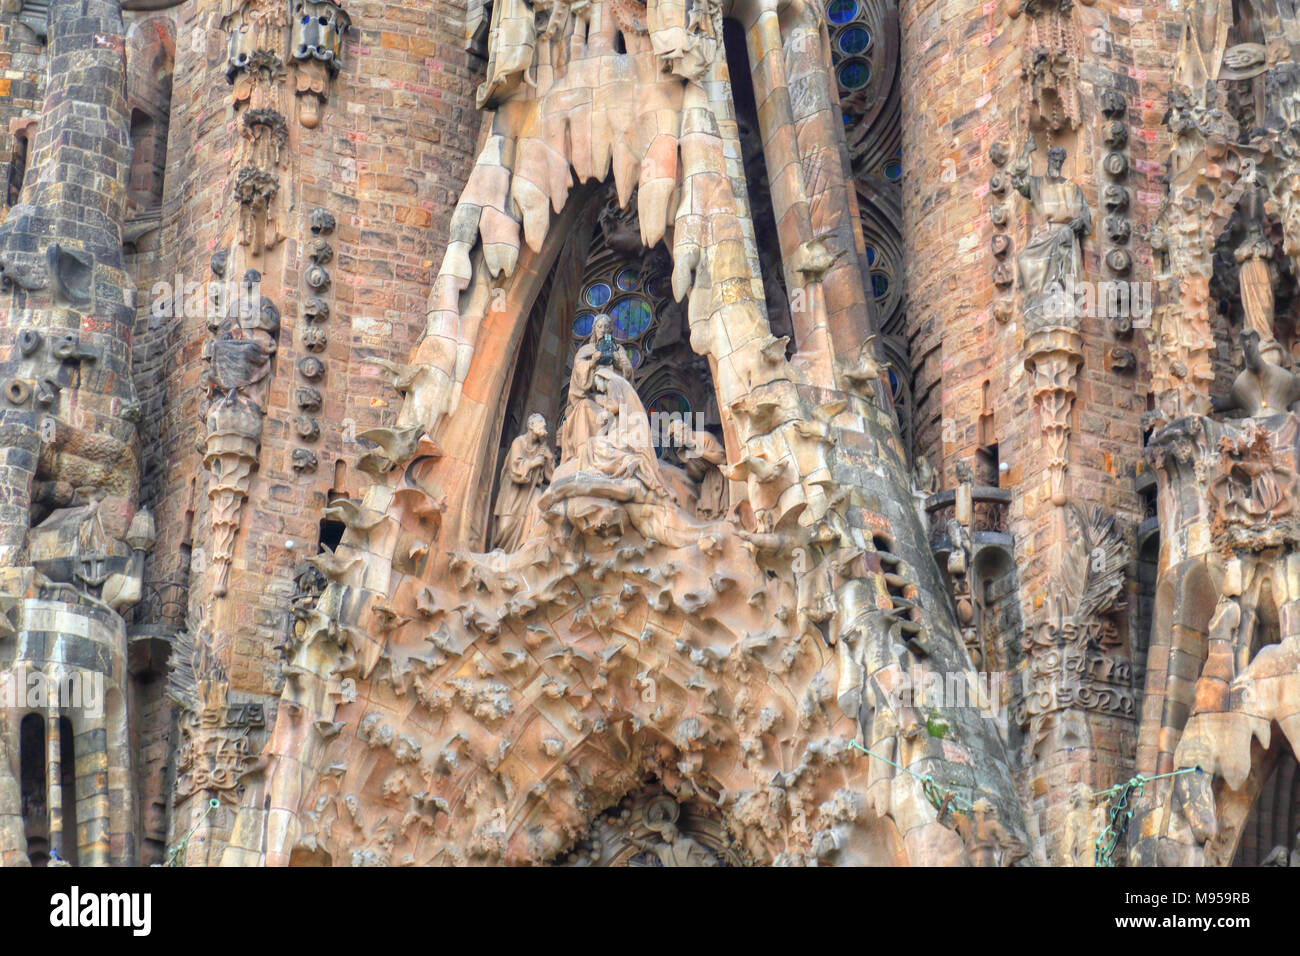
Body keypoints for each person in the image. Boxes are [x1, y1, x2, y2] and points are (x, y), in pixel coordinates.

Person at [491, 413, 555, 552]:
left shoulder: (542, 449)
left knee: (538, 512)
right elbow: (514, 467)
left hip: (531, 492)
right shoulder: (518, 442)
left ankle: (525, 554)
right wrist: (533, 463)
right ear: (531, 425)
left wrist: (549, 458)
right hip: (513, 492)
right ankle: (503, 555)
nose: (544, 426)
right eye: (541, 423)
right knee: (504, 528)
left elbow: (551, 477)